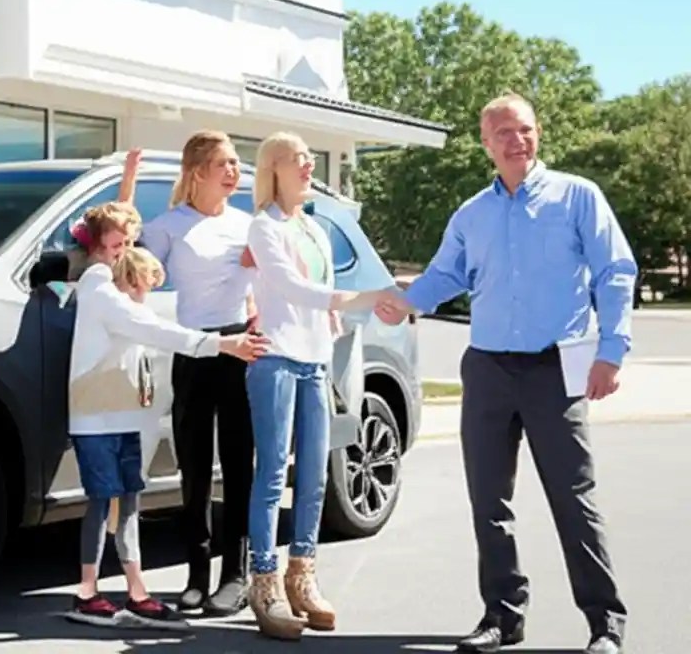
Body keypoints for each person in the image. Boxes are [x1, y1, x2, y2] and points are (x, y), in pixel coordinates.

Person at [376, 93, 634, 654]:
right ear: (486, 143)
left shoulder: (578, 197)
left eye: (525, 129)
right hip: (488, 368)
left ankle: (605, 623)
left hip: (555, 368)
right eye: (504, 133)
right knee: (489, 502)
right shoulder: (472, 214)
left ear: (537, 133)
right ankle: (502, 614)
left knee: (573, 498)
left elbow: (615, 271)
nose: (517, 140)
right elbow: (446, 274)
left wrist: (612, 351)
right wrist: (406, 301)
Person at [66, 204, 269, 629]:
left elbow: (148, 319)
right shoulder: (99, 288)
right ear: (97, 244)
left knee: (130, 504)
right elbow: (156, 331)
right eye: (118, 242)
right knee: (101, 504)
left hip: (123, 418)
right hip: (96, 420)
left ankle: (137, 591)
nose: (125, 249)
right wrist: (222, 344)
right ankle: (87, 592)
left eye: (129, 242)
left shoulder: (116, 285)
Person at [241, 132, 389, 640]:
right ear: (274, 169)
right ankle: (264, 582)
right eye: (297, 160)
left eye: (308, 158)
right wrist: (361, 297)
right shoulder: (263, 227)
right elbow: (291, 288)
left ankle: (302, 574)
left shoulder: (314, 228)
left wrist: (344, 313)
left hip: (315, 363)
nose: (308, 166)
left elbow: (320, 295)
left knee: (315, 476)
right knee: (271, 475)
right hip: (276, 360)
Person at [138, 131, 258, 615]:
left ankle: (236, 574)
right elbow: (131, 265)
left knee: (238, 462)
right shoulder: (169, 227)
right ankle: (196, 573)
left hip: (240, 348)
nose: (233, 171)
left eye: (236, 163)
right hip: (193, 348)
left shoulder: (248, 225)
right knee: (194, 464)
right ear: (197, 171)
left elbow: (266, 283)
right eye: (224, 163)